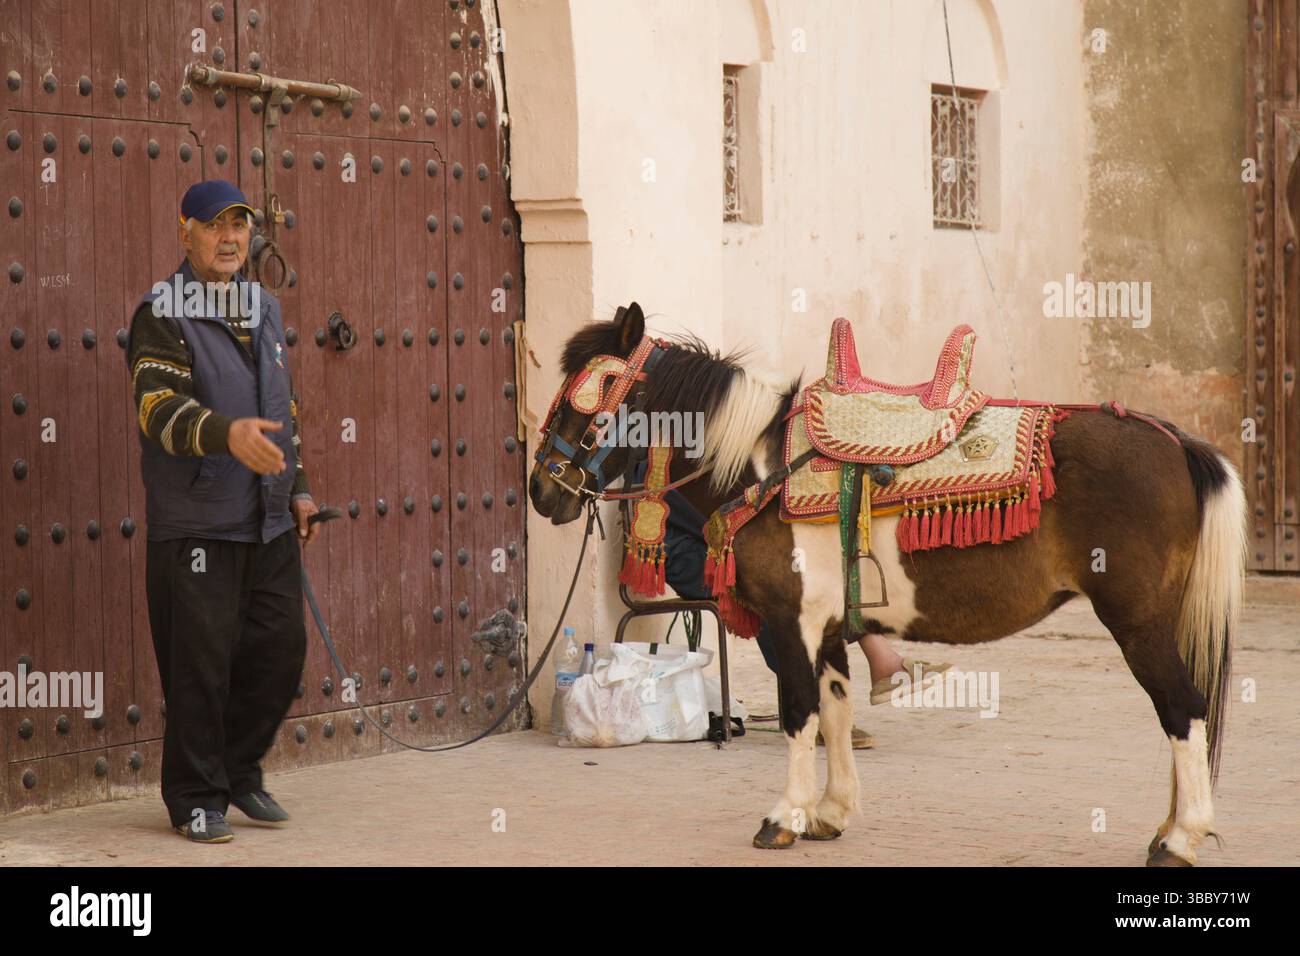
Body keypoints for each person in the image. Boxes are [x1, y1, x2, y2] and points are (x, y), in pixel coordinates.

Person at [126, 180, 319, 843]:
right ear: (186, 233)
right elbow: (159, 411)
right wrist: (225, 434)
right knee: (200, 667)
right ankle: (195, 797)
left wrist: (298, 486)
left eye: (239, 224)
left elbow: (283, 403)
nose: (230, 236)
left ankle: (238, 771)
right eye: (215, 226)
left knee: (281, 649)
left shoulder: (264, 305)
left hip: (265, 515)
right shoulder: (162, 311)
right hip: (199, 520)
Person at [662, 489, 950, 748]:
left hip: (712, 545)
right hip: (681, 554)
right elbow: (712, 520)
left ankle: (880, 664)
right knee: (772, 585)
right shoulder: (669, 442)